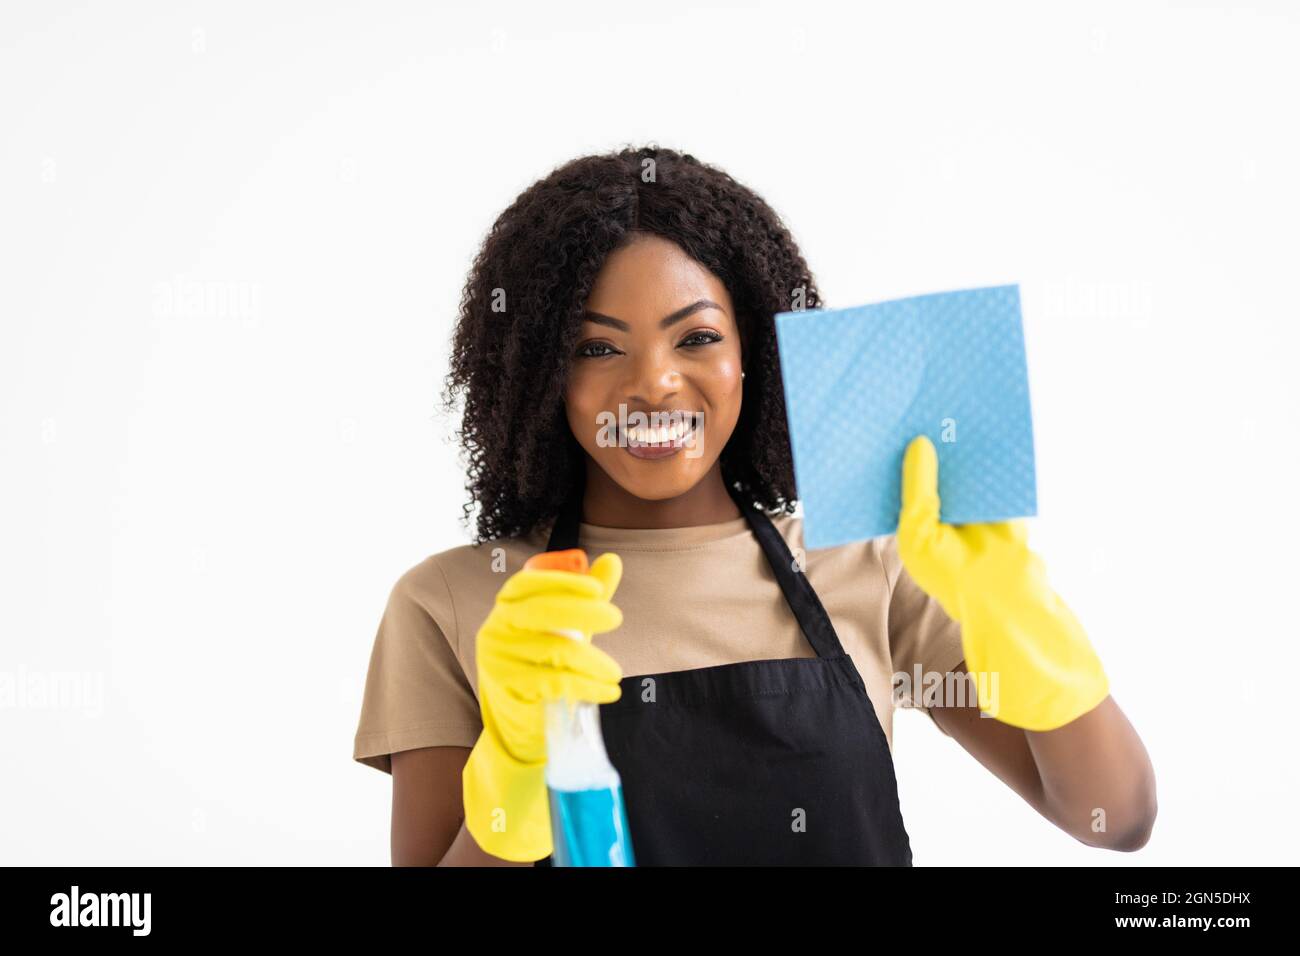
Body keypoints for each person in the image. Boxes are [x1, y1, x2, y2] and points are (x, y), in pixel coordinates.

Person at [353, 145, 1157, 866]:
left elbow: (1113, 818)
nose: (655, 382)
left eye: (696, 337)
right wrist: (516, 779)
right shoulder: (456, 603)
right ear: (539, 376)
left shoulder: (865, 561)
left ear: (754, 355)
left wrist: (1021, 616)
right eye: (596, 348)